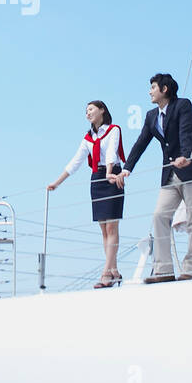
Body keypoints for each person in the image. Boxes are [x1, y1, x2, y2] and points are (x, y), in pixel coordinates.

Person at [110, 74, 192, 283]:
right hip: (170, 174)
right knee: (159, 216)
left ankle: (190, 269)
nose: (150, 91)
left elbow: (186, 134)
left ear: (164, 89)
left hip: (191, 171)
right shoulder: (151, 116)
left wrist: (187, 155)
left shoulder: (182, 105)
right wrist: (127, 169)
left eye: (153, 87)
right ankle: (164, 270)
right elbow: (140, 143)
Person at [48, 101, 125, 288]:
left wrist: (108, 172)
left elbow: (112, 153)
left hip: (112, 175)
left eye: (91, 109)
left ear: (102, 110)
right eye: (86, 111)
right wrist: (57, 183)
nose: (88, 113)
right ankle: (114, 270)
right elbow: (76, 161)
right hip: (96, 179)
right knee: (103, 229)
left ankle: (106, 272)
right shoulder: (88, 138)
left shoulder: (114, 130)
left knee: (112, 228)